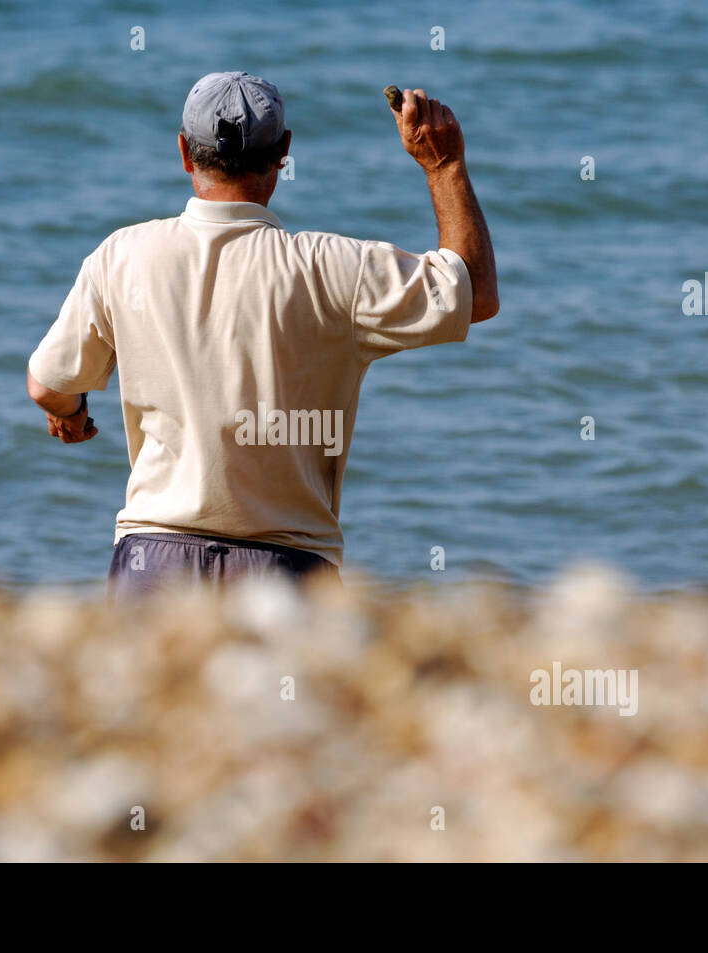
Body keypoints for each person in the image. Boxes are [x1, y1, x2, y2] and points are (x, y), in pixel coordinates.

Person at [27, 71, 497, 600]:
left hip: (151, 562)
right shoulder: (333, 267)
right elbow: (475, 294)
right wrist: (444, 165)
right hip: (286, 570)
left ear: (184, 152)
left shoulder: (123, 255)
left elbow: (49, 384)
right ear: (284, 155)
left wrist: (70, 415)